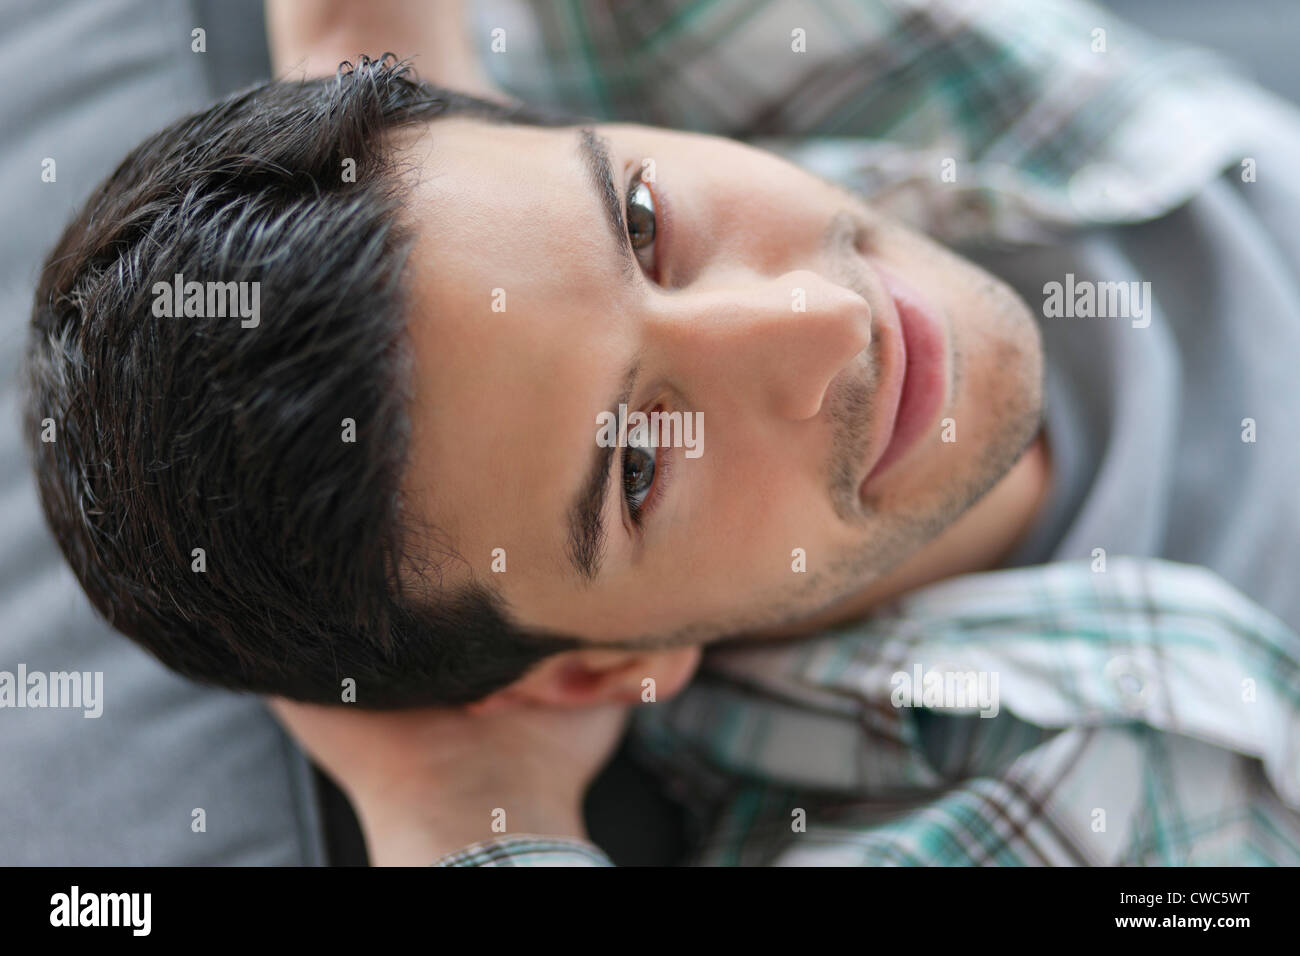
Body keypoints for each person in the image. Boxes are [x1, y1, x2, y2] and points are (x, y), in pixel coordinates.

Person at [25, 0, 1300, 865]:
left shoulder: (634, 57)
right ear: (582, 672)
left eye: (640, 224)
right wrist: (456, 801)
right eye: (637, 465)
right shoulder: (957, 812)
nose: (817, 324)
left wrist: (368, 72)